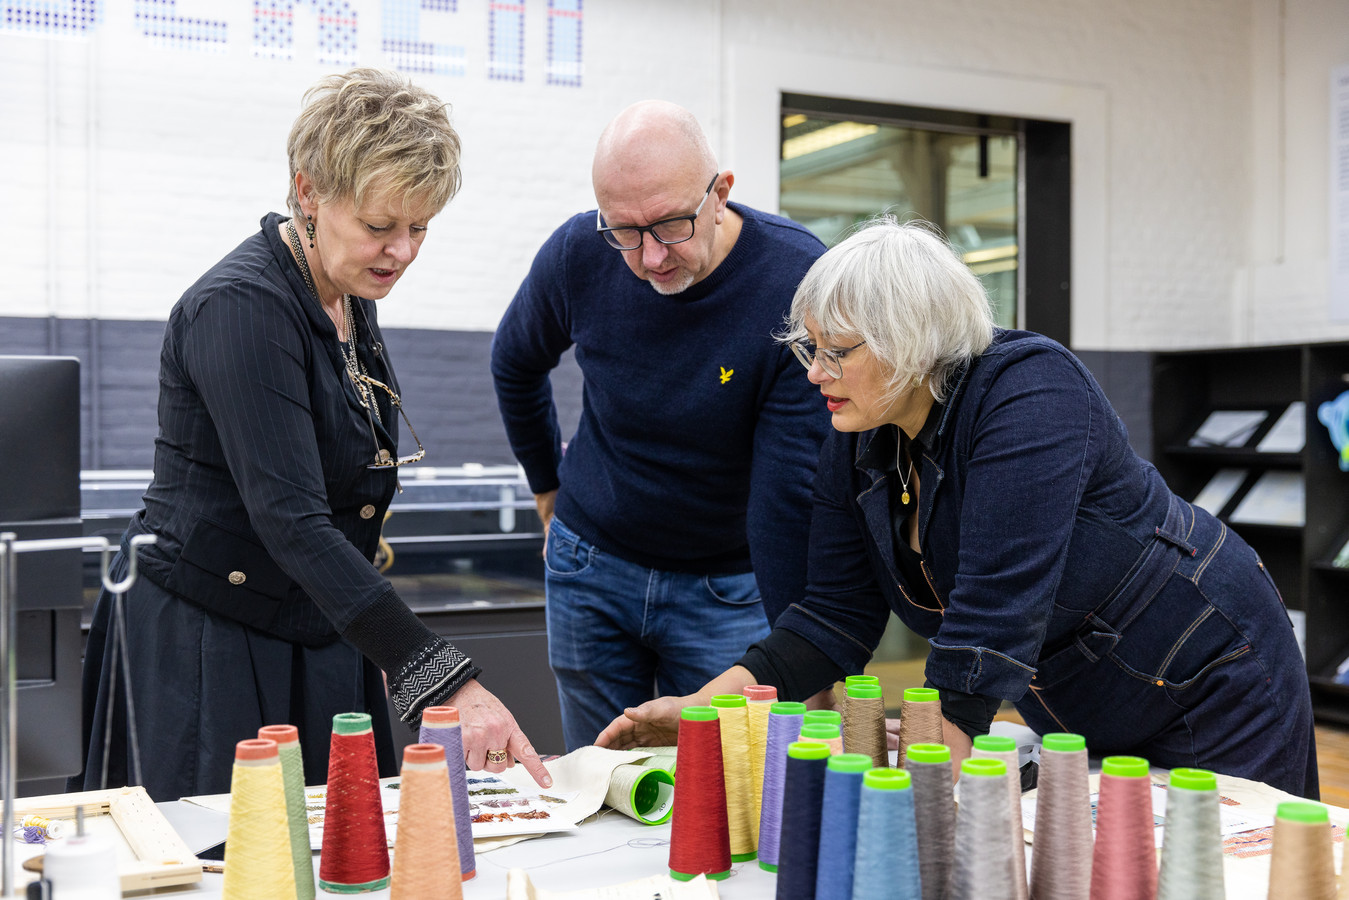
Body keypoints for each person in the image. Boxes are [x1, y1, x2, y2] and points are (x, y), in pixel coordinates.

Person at [598, 217, 1319, 799]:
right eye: (806, 348)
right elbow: (830, 617)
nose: (814, 372)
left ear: (907, 341)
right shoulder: (855, 438)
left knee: (1233, 868)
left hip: (1208, 675)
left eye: (836, 352)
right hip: (1079, 702)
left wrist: (934, 756)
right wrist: (703, 708)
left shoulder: (1030, 392)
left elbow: (996, 598)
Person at [72, 68, 550, 801]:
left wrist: (385, 645)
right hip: (212, 638)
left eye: (419, 227)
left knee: (339, 853)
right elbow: (291, 520)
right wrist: (440, 676)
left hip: (315, 625)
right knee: (229, 859)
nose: (402, 252)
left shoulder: (347, 294)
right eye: (379, 226)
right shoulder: (239, 309)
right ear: (308, 193)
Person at [490, 100, 830, 751]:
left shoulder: (796, 279)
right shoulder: (576, 254)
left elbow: (788, 494)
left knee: (722, 795)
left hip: (727, 592)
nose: (649, 257)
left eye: (671, 225)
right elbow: (514, 362)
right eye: (623, 231)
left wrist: (806, 652)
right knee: (599, 783)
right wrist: (546, 493)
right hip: (590, 568)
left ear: (720, 193)